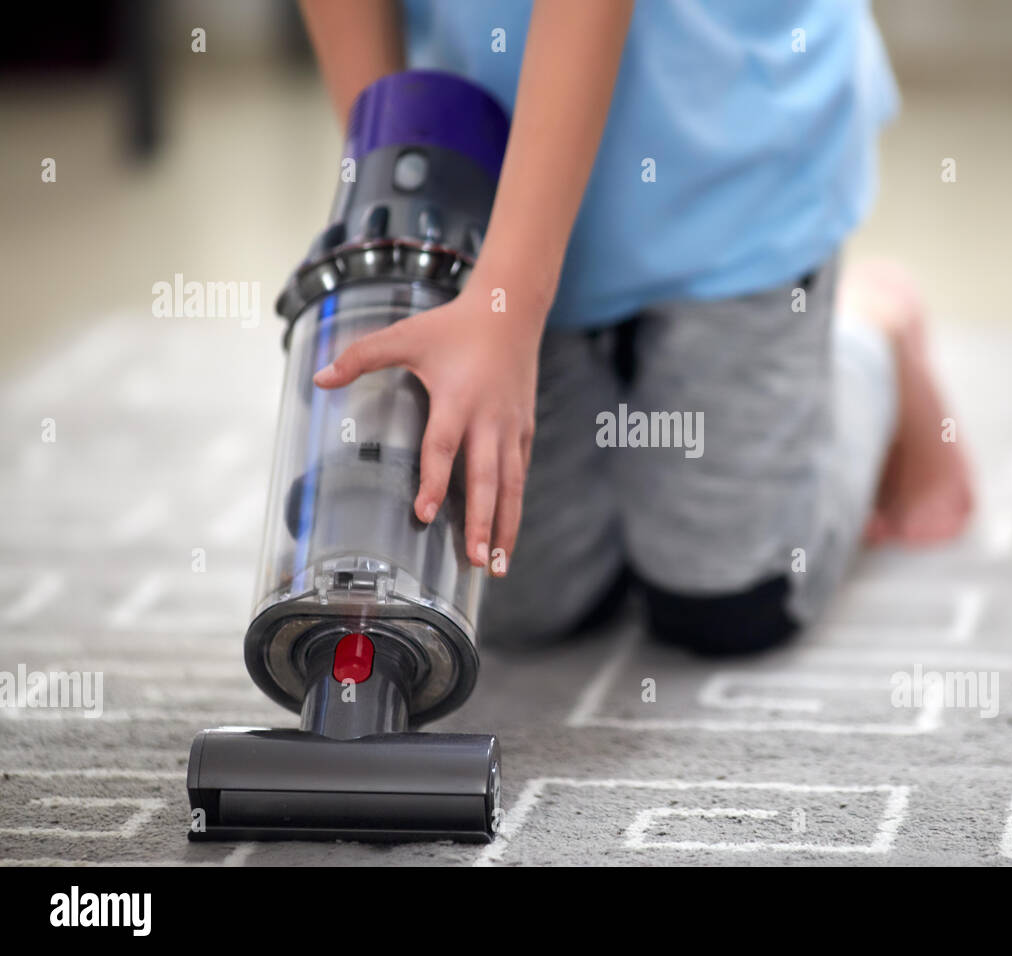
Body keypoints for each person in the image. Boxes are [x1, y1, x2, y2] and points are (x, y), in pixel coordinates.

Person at [298, 0, 973, 655]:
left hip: (729, 158)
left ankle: (874, 326)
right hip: (495, 144)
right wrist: (399, 190)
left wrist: (506, 304)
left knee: (732, 600)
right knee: (513, 602)